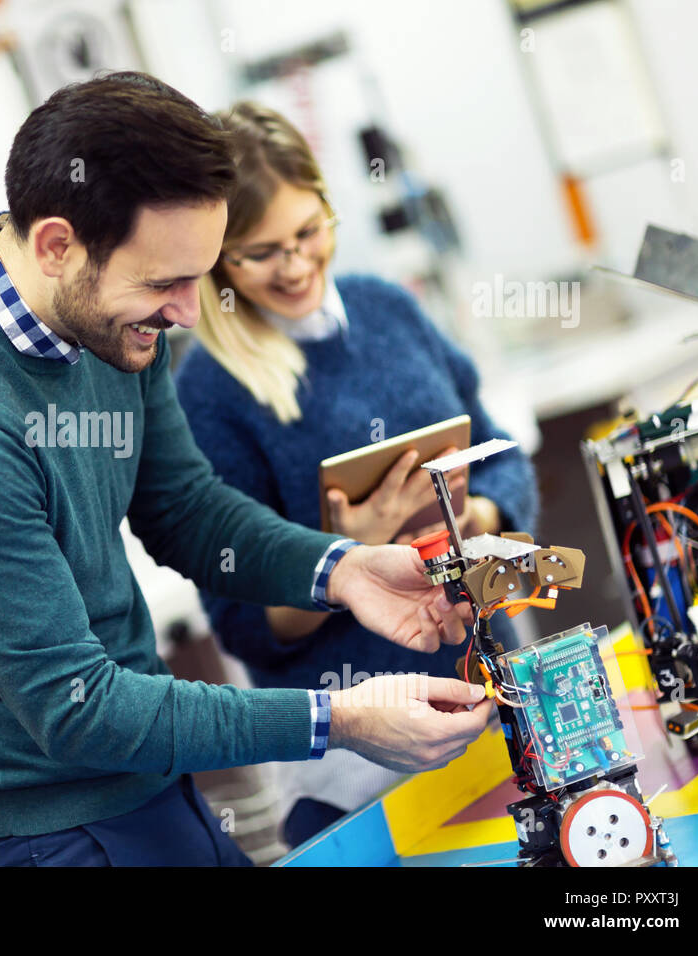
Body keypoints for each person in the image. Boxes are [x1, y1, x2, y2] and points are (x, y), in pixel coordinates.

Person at [0, 72, 492, 867]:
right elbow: (81, 710)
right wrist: (341, 719)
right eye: (166, 283)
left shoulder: (111, 320)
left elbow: (184, 508)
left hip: (151, 781)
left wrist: (345, 569)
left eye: (199, 273)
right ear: (57, 245)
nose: (190, 311)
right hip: (45, 836)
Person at [174, 102, 538, 848]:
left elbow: (501, 453)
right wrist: (346, 555)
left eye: (309, 231)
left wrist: (481, 524)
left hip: (495, 703)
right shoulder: (210, 391)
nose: (298, 263)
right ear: (218, 262)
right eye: (260, 252)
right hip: (356, 772)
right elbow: (247, 626)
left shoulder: (385, 309)